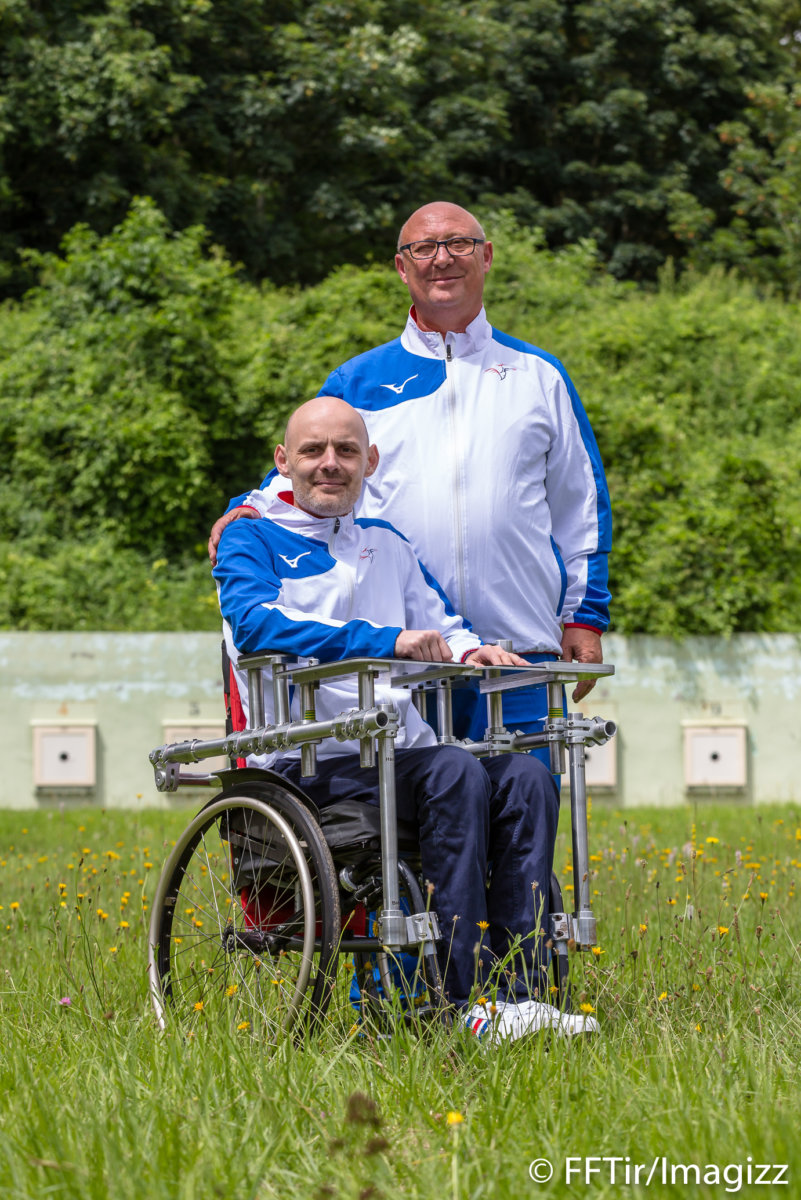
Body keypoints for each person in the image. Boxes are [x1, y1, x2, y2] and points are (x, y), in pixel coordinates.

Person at [213, 395, 597, 1040]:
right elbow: (252, 625)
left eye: (346, 451)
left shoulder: (386, 543)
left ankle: (518, 994)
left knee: (525, 777)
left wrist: (474, 649)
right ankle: (456, 999)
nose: (329, 464)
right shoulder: (252, 536)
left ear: (371, 462)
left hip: (399, 757)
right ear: (283, 460)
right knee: (452, 770)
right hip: (308, 760)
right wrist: (381, 640)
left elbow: (443, 622)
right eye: (312, 451)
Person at [209, 201, 612, 757]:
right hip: (408, 660)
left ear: (487, 256)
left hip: (521, 650)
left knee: (525, 819)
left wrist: (583, 617)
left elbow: (581, 506)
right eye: (423, 248)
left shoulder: (539, 376)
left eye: (459, 244)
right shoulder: (359, 380)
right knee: (423, 830)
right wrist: (247, 507)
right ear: (403, 268)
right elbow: (310, 475)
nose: (441, 259)